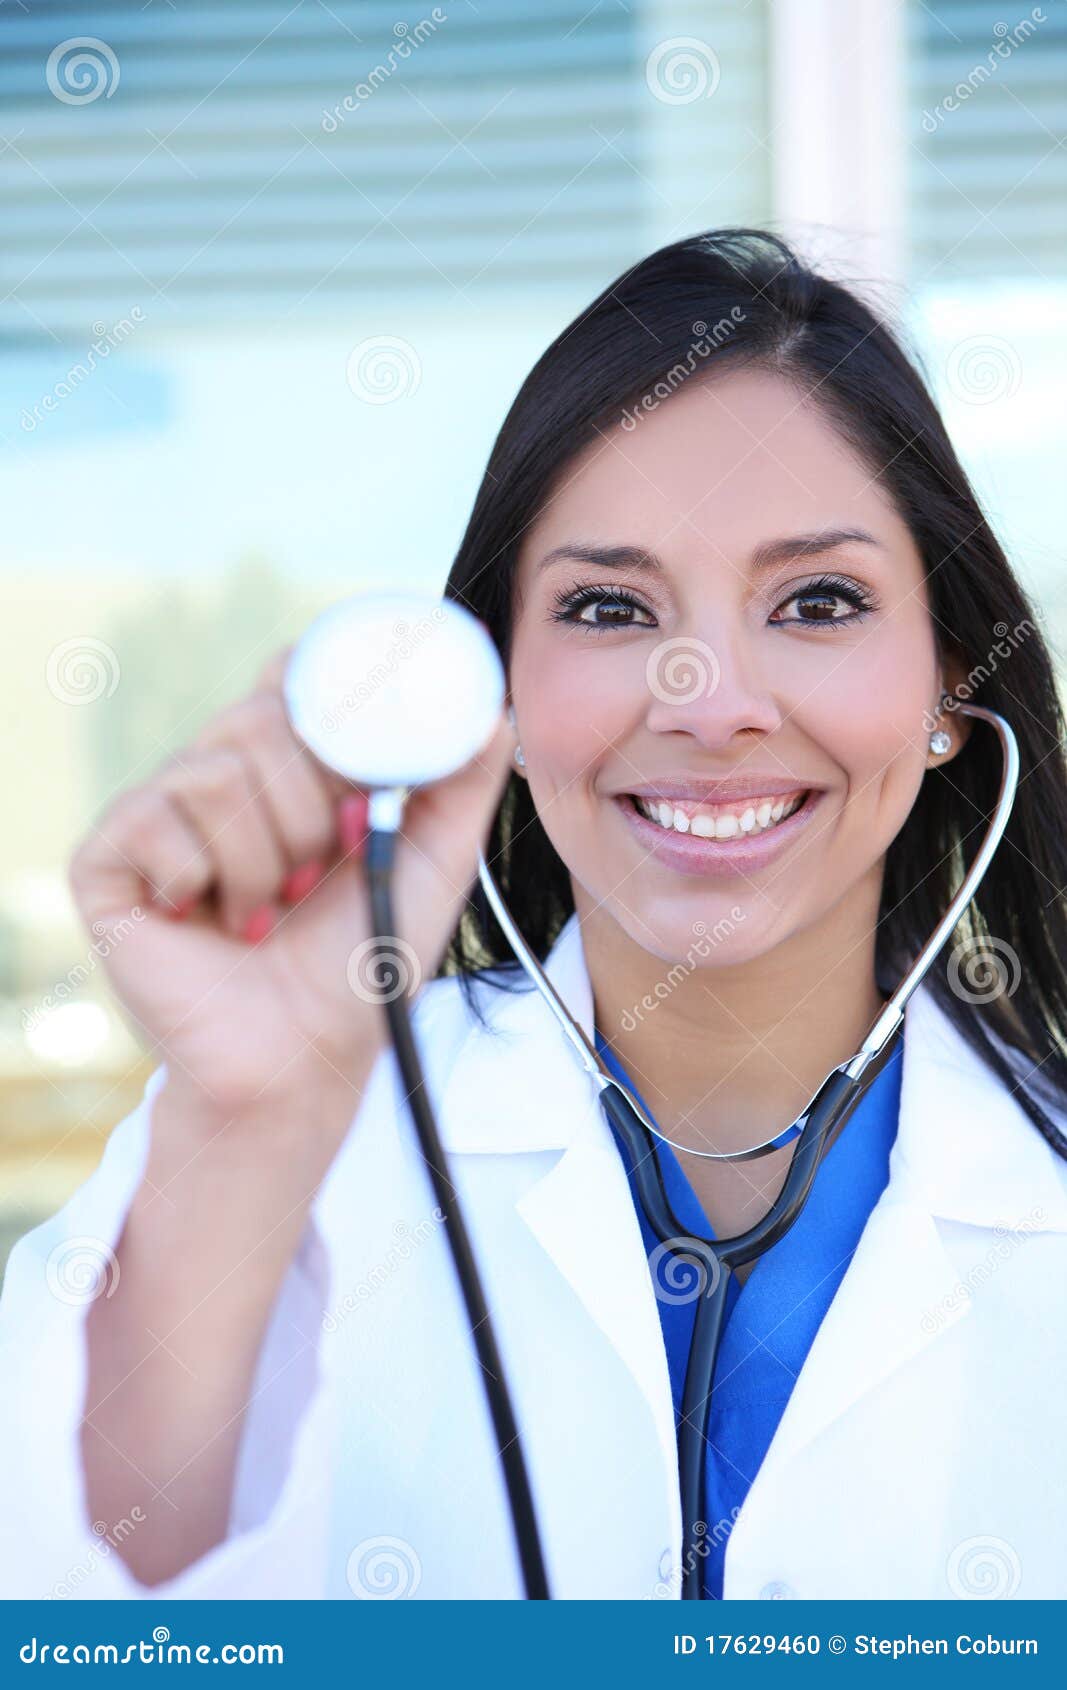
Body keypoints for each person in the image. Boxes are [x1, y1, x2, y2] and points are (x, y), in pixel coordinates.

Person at [2, 228, 1066, 1601]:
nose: (708, 697)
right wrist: (249, 1133)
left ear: (942, 693)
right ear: (494, 690)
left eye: (817, 600)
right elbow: (69, 1614)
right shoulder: (276, 1140)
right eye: (611, 607)